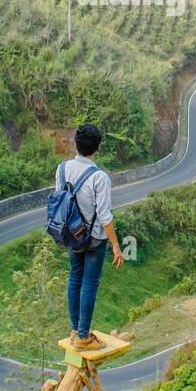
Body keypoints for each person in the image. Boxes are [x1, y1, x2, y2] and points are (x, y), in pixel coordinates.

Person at [59, 123, 124, 350]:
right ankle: (84, 337)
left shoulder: (62, 169)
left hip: (72, 234)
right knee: (88, 283)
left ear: (75, 144)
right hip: (95, 238)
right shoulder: (100, 177)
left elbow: (61, 201)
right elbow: (105, 216)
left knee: (74, 277)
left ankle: (76, 329)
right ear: (97, 148)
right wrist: (116, 245)